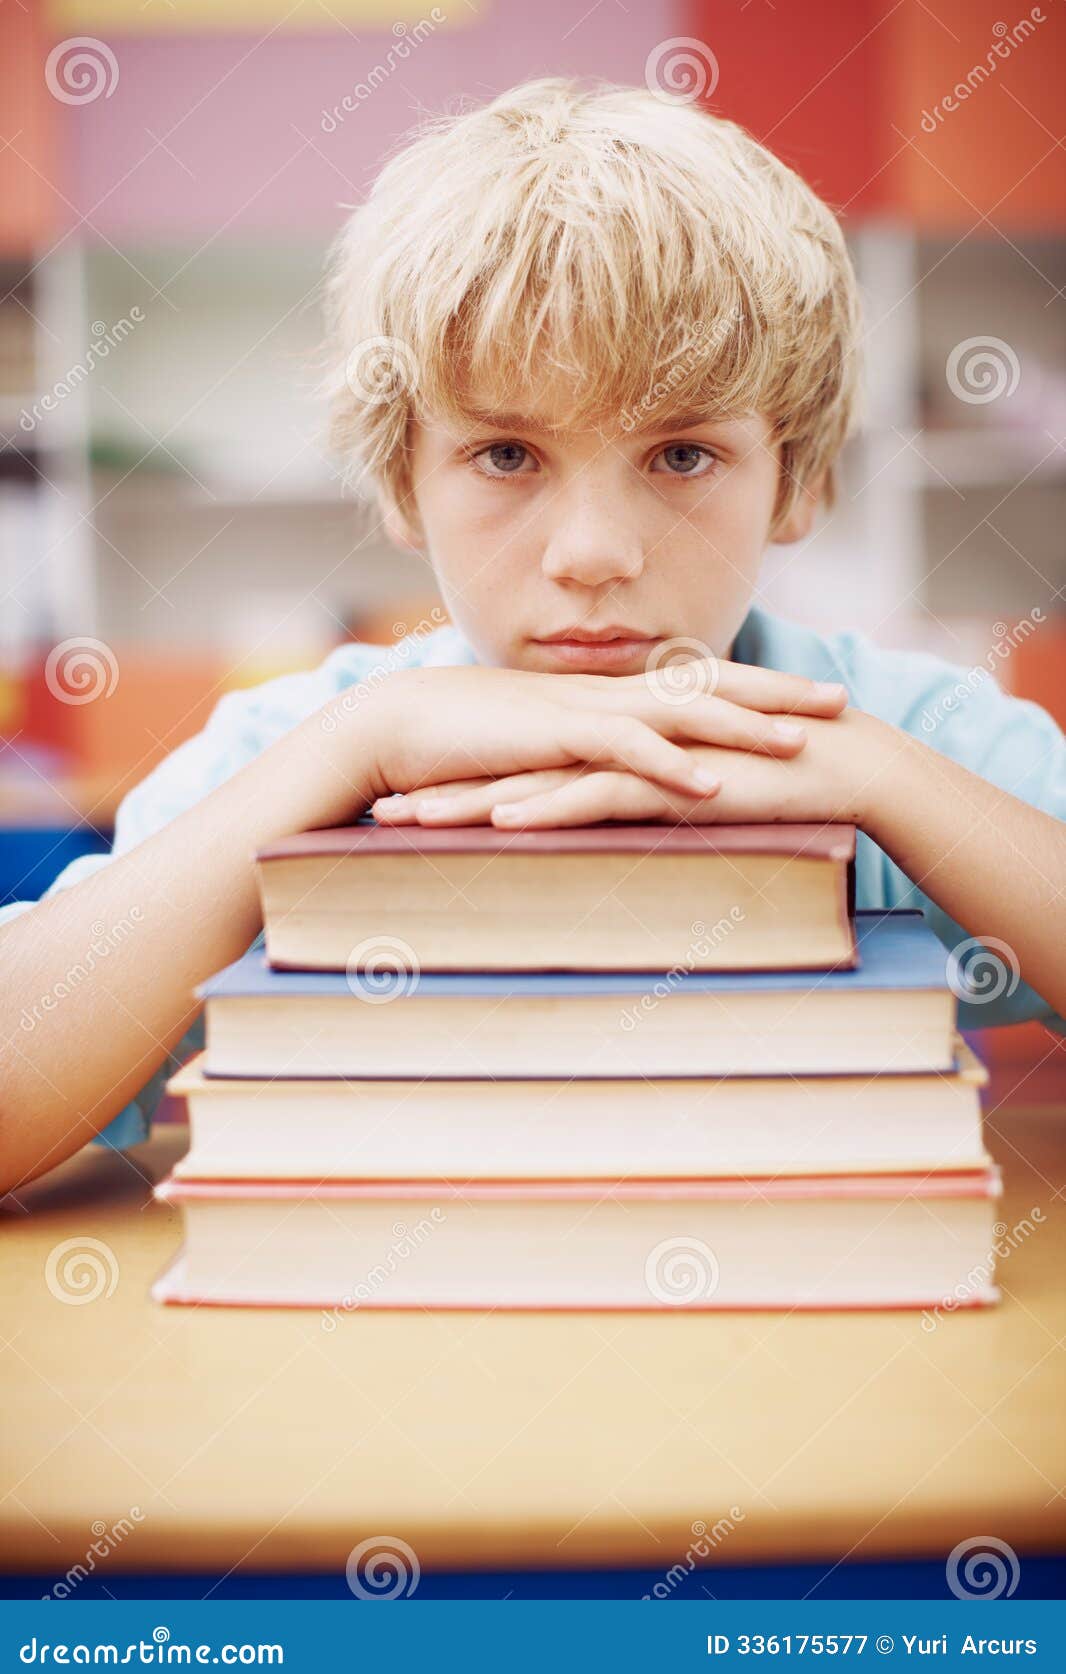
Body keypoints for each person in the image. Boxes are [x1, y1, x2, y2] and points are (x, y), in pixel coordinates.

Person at [3, 78, 1064, 1193]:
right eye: (506, 456)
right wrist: (350, 749)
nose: (593, 554)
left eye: (682, 455)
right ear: (402, 484)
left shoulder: (912, 733)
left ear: (794, 478)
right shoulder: (292, 750)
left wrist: (891, 784)